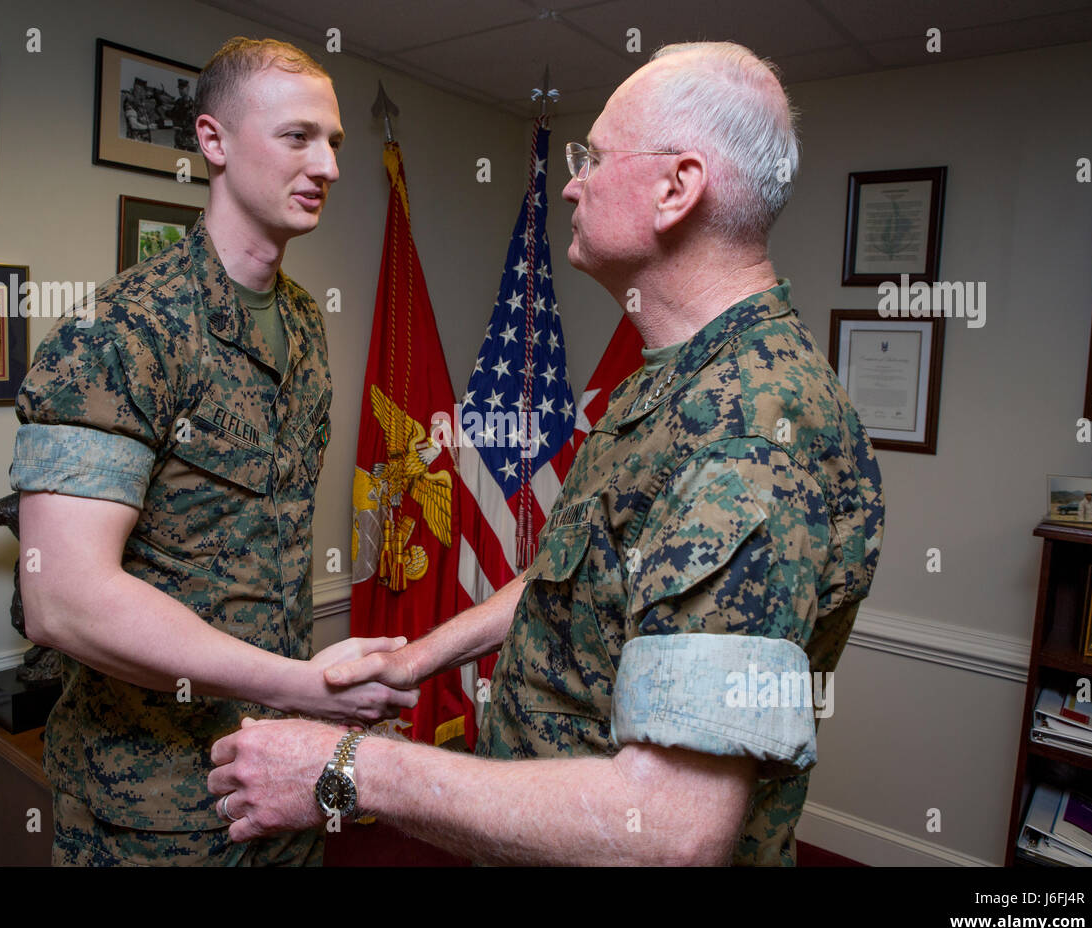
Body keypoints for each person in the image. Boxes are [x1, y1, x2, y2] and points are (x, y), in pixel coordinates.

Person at [209, 40, 885, 866]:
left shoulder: (749, 426)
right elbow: (573, 568)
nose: (571, 182)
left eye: (593, 156)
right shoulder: (668, 380)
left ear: (678, 189)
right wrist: (422, 655)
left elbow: (672, 829)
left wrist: (344, 769)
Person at [10, 36, 414, 867]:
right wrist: (304, 685)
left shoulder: (303, 321)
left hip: (281, 775)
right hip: (154, 808)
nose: (328, 166)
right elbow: (65, 600)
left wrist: (298, 715)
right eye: (297, 136)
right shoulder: (119, 333)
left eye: (334, 140)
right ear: (214, 141)